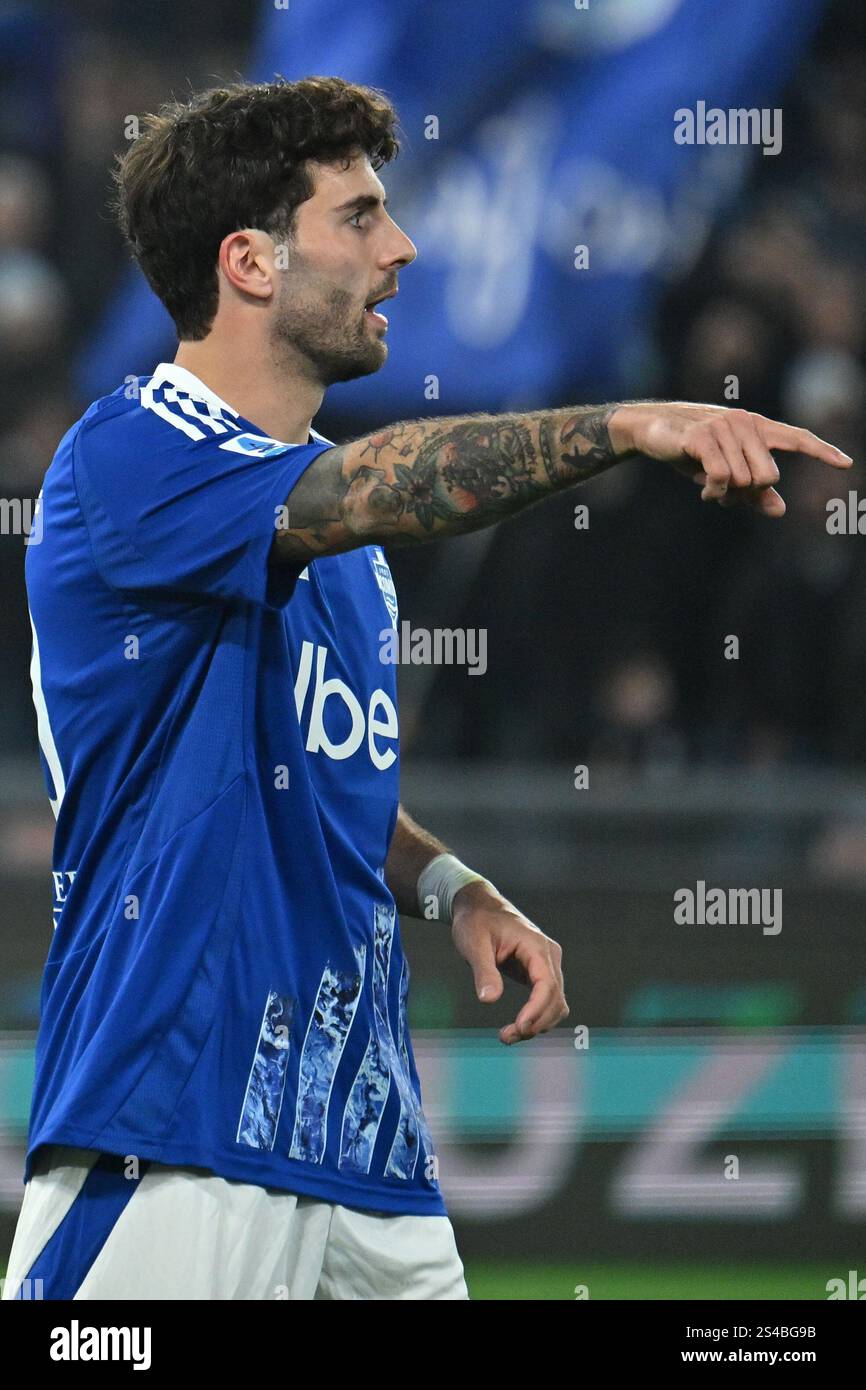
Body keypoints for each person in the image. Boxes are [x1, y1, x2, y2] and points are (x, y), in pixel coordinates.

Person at [2, 76, 851, 1302]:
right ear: (248, 260)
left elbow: (309, 782)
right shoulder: (133, 454)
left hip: (364, 1146)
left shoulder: (346, 559)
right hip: (174, 1121)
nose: (400, 248)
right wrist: (622, 424)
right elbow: (379, 485)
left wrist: (449, 886)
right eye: (358, 218)